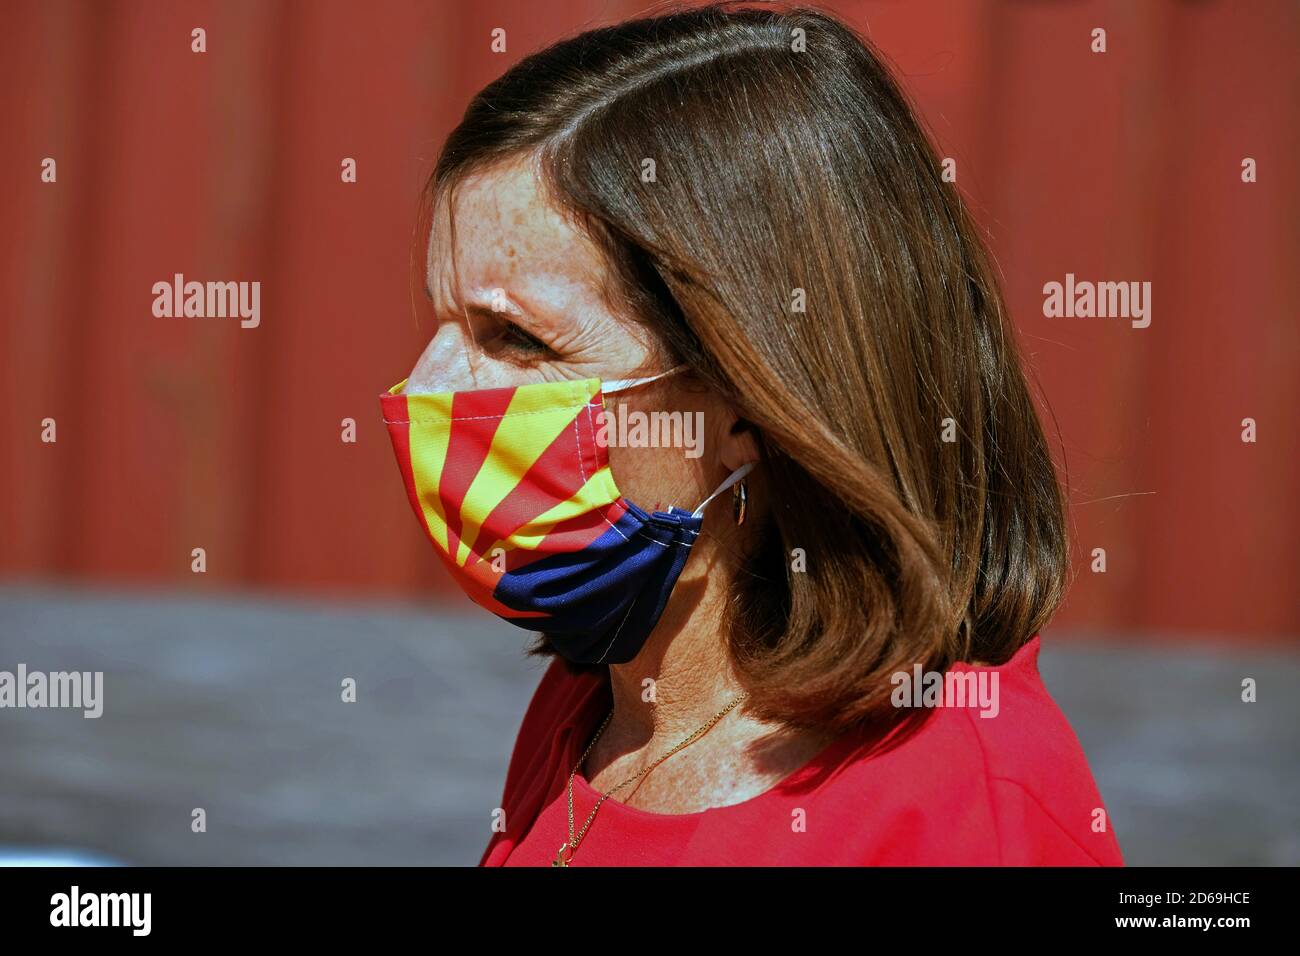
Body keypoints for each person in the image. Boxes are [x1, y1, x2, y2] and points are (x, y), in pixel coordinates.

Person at [380, 2, 1123, 866]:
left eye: (517, 338)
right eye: (442, 322)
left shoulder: (965, 804)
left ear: (748, 398)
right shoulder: (599, 704)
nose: (428, 386)